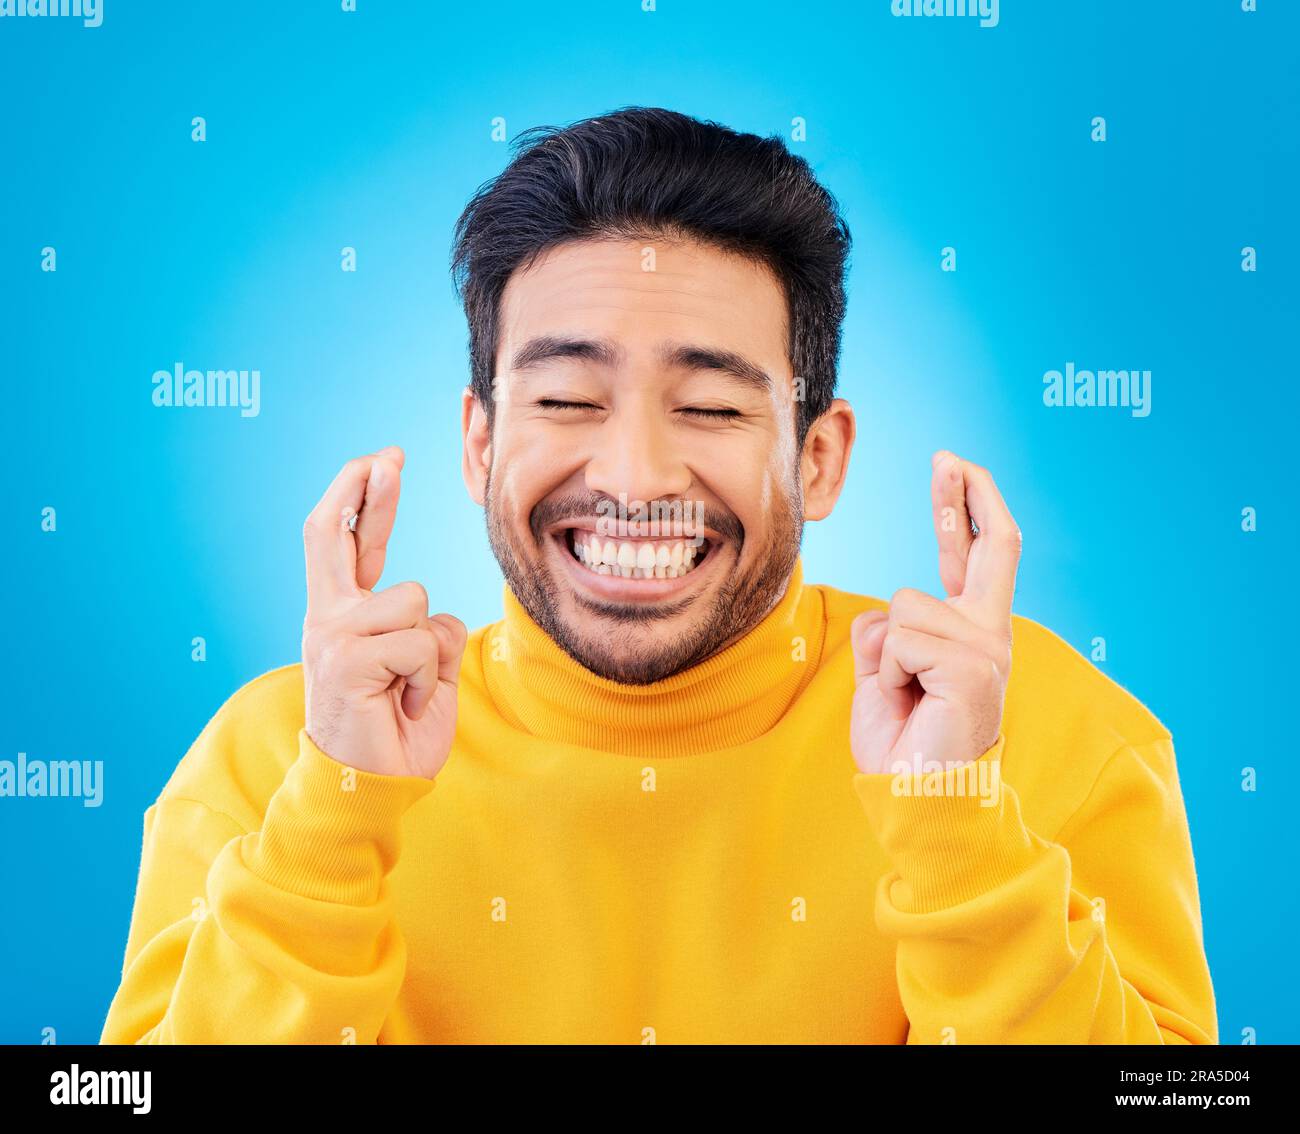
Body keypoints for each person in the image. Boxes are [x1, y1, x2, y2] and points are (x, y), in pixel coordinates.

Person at [101, 107, 1216, 1044]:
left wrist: (958, 832)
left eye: (714, 407)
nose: (634, 474)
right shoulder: (275, 769)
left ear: (817, 458)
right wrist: (330, 835)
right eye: (566, 399)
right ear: (479, 446)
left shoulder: (1052, 739)